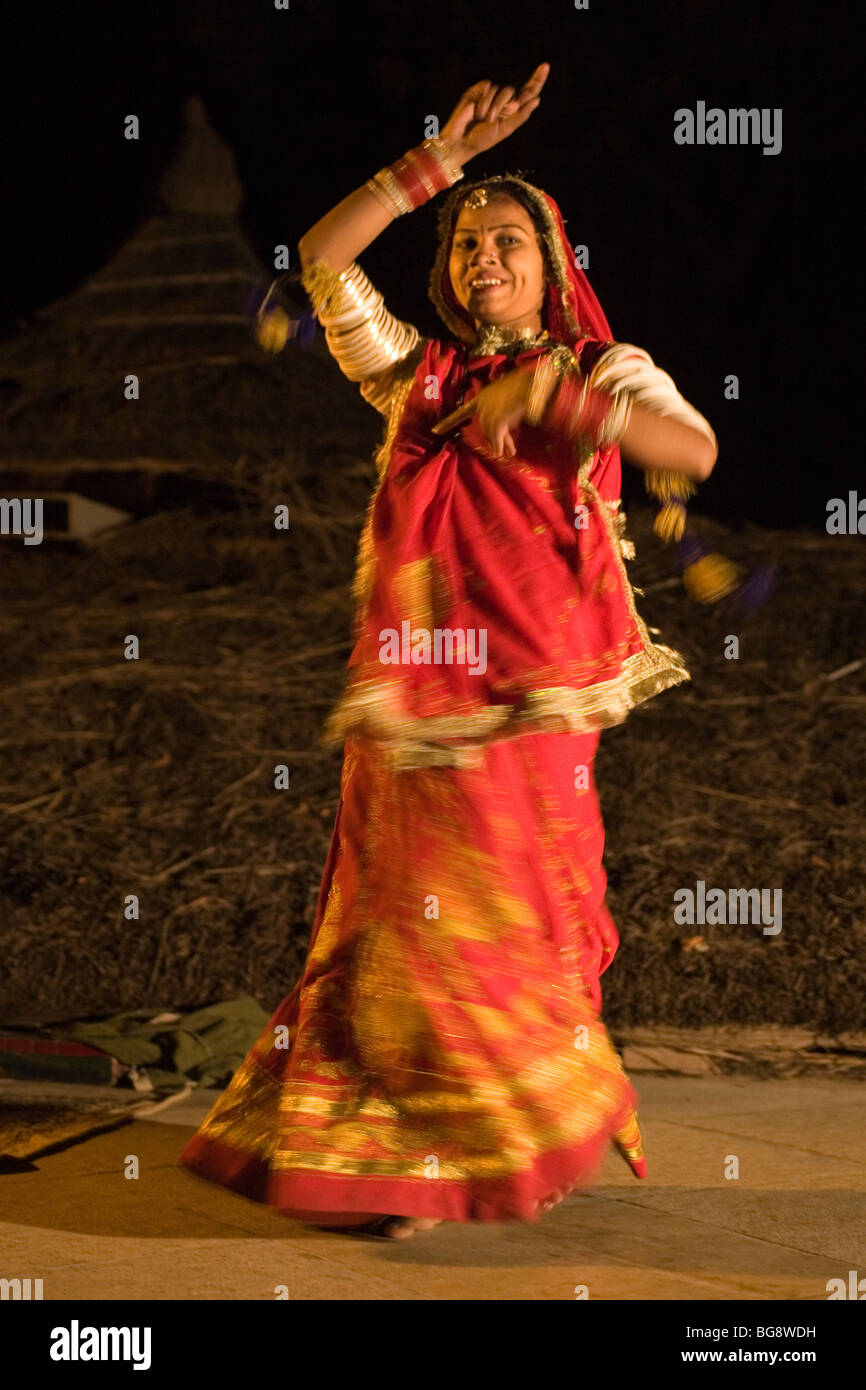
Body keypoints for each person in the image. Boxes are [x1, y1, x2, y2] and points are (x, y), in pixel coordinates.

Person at [179, 64, 718, 1240]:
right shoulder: (409, 381)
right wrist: (436, 166)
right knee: (399, 941)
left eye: (508, 241)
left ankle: (496, 1141)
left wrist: (553, 401)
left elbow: (691, 446)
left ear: (552, 263)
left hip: (534, 719)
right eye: (466, 241)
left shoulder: (593, 370)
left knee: (514, 933)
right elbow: (323, 261)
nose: (482, 258)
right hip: (414, 717)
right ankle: (392, 1160)